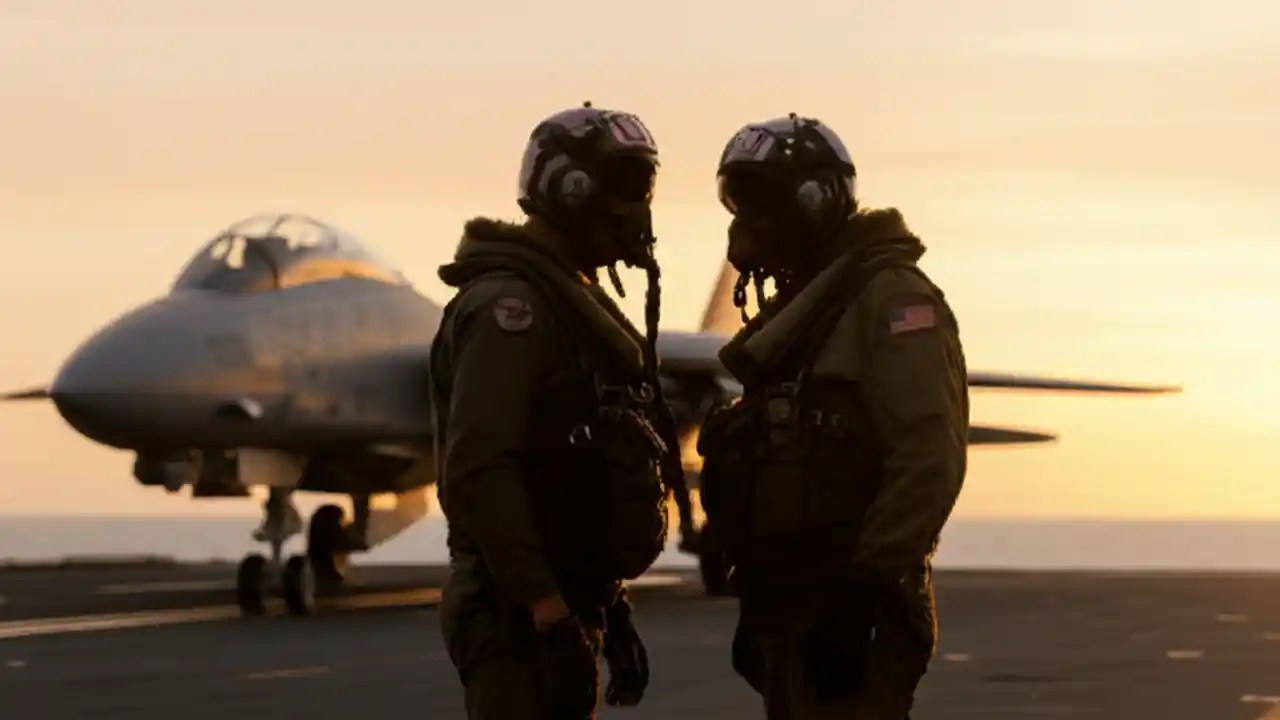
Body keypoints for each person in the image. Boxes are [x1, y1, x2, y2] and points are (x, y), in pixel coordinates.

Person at [696, 114, 970, 718]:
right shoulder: (805, 315)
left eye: (762, 201)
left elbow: (929, 457)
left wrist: (861, 597)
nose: (747, 223)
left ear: (814, 199)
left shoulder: (890, 302)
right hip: (788, 605)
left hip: (853, 607)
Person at [427, 103, 682, 719]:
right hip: (515, 614)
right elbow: (482, 466)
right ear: (572, 190)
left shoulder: (566, 302)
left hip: (560, 602)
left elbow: (578, 460)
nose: (637, 209)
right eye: (625, 186)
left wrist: (608, 604)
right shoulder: (512, 309)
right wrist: (545, 607)